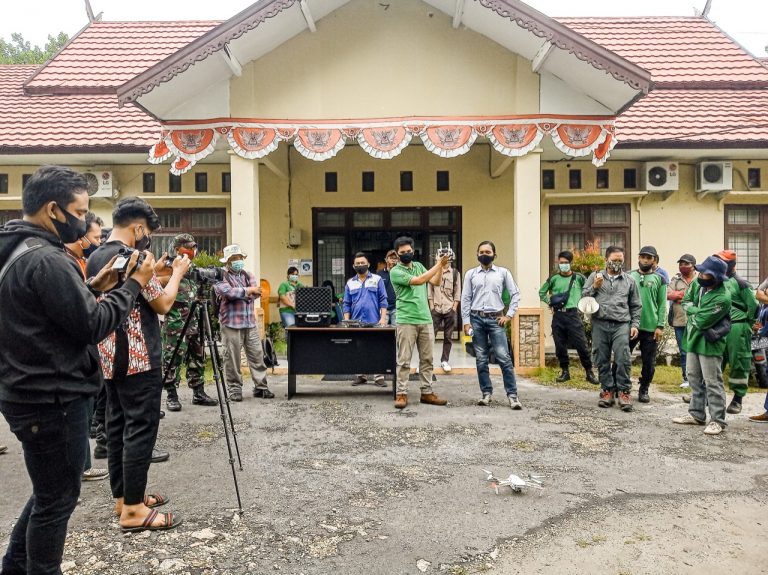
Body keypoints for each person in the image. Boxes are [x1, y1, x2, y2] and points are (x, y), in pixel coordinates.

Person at [0, 166, 154, 573]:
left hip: (26, 391)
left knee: (51, 492)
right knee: (56, 501)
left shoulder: (17, 250)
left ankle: (13, 567)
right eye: (81, 211)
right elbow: (92, 327)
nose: (86, 222)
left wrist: (91, 289)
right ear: (54, 210)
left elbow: (50, 315)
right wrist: (133, 284)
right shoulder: (48, 260)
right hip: (52, 397)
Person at [86, 196, 189, 533]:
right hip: (139, 356)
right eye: (146, 233)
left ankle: (124, 498)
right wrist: (176, 274)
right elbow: (162, 304)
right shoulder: (135, 257)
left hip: (108, 356)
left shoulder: (96, 256)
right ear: (139, 227)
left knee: (116, 427)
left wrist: (155, 273)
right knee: (141, 429)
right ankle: (134, 510)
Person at [63, 211, 109, 482]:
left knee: (87, 409)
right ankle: (75, 472)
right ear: (81, 237)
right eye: (95, 237)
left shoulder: (81, 261)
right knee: (76, 415)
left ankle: (83, 464)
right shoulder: (63, 263)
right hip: (75, 352)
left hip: (89, 348)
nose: (98, 241)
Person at [673, 256, 732, 435]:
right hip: (693, 340)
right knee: (693, 378)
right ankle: (697, 414)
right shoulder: (698, 285)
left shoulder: (723, 297)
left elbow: (701, 321)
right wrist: (694, 311)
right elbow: (685, 302)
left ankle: (718, 421)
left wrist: (693, 312)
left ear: (716, 276)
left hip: (709, 343)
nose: (701, 274)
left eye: (705, 273)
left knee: (712, 382)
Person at [390, 237, 451, 409]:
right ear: (396, 254)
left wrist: (442, 266)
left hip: (425, 318)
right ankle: (401, 394)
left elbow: (436, 282)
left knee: (427, 359)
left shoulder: (418, 266)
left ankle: (427, 392)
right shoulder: (395, 271)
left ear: (413, 250)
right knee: (404, 360)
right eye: (402, 253)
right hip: (406, 320)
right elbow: (418, 281)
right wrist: (439, 264)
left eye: (409, 251)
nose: (407, 254)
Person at [161, 233, 218, 412]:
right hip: (176, 321)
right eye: (187, 246)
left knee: (198, 356)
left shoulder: (194, 269)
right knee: (173, 357)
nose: (192, 250)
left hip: (196, 319)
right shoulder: (169, 267)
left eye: (193, 246)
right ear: (177, 249)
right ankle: (171, 395)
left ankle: (198, 392)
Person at [462, 241, 522, 409]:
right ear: (477, 254)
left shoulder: (503, 273)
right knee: (481, 359)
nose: (484, 254)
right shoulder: (471, 274)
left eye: (488, 252)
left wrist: (509, 315)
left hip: (496, 319)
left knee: (504, 358)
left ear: (494, 255)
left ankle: (513, 396)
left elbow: (515, 294)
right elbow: (466, 298)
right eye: (481, 251)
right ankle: (486, 393)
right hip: (476, 319)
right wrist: (466, 322)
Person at [582, 246, 642, 412]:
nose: (617, 263)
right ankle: (607, 390)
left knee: (623, 357)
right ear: (606, 260)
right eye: (614, 260)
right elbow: (583, 298)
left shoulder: (629, 280)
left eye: (620, 261)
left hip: (621, 324)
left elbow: (636, 305)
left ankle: (623, 391)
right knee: (601, 357)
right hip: (600, 323)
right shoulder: (595, 276)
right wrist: (594, 286)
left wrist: (635, 324)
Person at [214, 244, 274, 401]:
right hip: (230, 323)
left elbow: (257, 292)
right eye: (234, 258)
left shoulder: (248, 275)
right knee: (232, 358)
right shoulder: (221, 276)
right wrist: (248, 291)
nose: (238, 261)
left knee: (257, 355)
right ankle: (234, 389)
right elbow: (227, 292)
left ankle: (261, 387)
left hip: (250, 322)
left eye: (240, 258)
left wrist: (245, 292)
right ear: (227, 261)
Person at [538, 250, 597, 384]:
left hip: (573, 314)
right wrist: (551, 303)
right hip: (558, 315)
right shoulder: (554, 278)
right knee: (559, 345)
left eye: (566, 263)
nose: (563, 265)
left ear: (571, 263)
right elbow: (542, 293)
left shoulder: (579, 278)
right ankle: (565, 371)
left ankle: (589, 371)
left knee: (581, 344)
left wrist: (585, 306)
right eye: (561, 263)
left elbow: (589, 291)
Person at [714, 250, 758, 414]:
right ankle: (706, 395)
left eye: (723, 262)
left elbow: (754, 306)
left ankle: (738, 399)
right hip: (718, 327)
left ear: (731, 265)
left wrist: (749, 323)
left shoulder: (741, 283)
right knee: (715, 361)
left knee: (739, 361)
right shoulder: (717, 281)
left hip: (737, 326)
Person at [628, 246, 667, 403]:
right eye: (642, 257)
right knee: (621, 358)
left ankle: (644, 389)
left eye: (649, 258)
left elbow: (662, 304)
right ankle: (618, 386)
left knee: (649, 362)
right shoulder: (629, 276)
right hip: (630, 326)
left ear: (654, 260)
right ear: (638, 258)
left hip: (651, 328)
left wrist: (660, 326)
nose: (645, 260)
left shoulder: (660, 279)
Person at [343, 252, 389, 386]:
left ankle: (378, 377)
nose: (360, 265)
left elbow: (383, 300)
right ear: (353, 266)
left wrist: (382, 319)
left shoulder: (377, 279)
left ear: (368, 264)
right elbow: (346, 303)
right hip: (356, 323)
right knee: (358, 349)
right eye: (357, 264)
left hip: (374, 321)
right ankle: (361, 376)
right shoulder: (350, 283)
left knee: (376, 348)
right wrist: (347, 321)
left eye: (363, 263)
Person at [428, 254, 461, 373]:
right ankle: (427, 362)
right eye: (442, 257)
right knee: (430, 337)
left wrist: (454, 308)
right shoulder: (433, 271)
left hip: (449, 309)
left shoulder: (455, 273)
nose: (444, 259)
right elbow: (430, 292)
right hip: (436, 309)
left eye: (446, 257)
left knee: (448, 337)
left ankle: (444, 360)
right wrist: (432, 307)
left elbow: (457, 293)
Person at [668, 254, 697, 389]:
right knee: (684, 350)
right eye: (681, 264)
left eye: (686, 264)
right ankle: (686, 378)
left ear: (693, 265)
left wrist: (679, 296)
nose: (682, 266)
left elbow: (699, 298)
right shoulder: (676, 279)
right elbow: (668, 294)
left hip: (696, 321)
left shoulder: (699, 278)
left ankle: (697, 377)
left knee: (696, 350)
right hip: (679, 321)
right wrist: (686, 297)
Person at [378, 249, 398, 325]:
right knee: (382, 331)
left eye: (395, 258)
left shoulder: (400, 273)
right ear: (386, 259)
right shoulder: (379, 274)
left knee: (396, 331)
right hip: (383, 307)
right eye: (391, 257)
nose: (393, 260)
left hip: (396, 307)